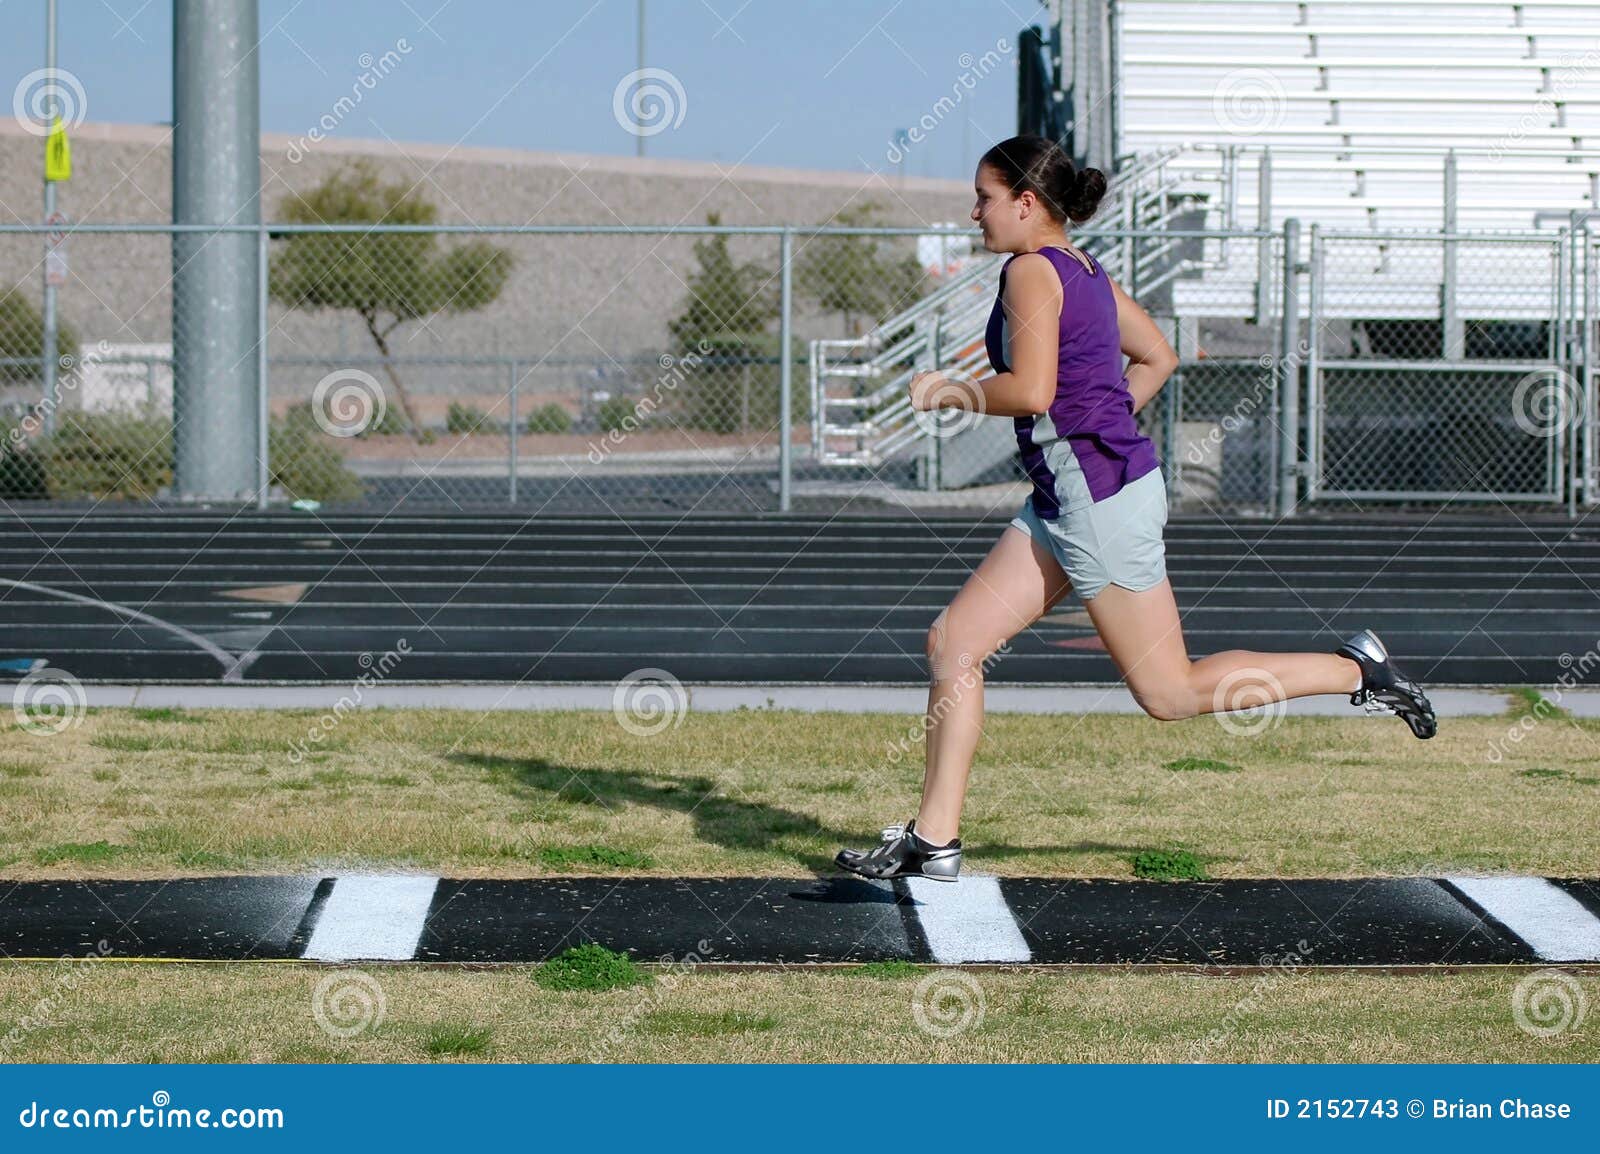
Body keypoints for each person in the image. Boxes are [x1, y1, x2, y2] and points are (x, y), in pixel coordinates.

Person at [835, 134, 1435, 884]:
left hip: (1097, 504)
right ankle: (936, 839)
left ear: (1026, 204)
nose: (974, 212)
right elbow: (1157, 357)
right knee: (955, 642)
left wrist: (947, 391)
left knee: (1168, 693)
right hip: (1072, 497)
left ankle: (1357, 673)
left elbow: (1031, 392)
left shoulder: (1029, 271)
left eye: (984, 198)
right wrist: (1105, 425)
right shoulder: (1084, 270)